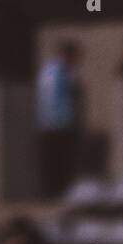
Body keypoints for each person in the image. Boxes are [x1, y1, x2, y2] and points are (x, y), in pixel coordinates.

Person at [35, 39, 85, 199]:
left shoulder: (50, 70)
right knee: (58, 162)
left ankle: (53, 192)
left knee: (56, 163)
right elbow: (59, 99)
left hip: (51, 125)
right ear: (67, 54)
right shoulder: (60, 71)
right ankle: (53, 193)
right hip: (58, 125)